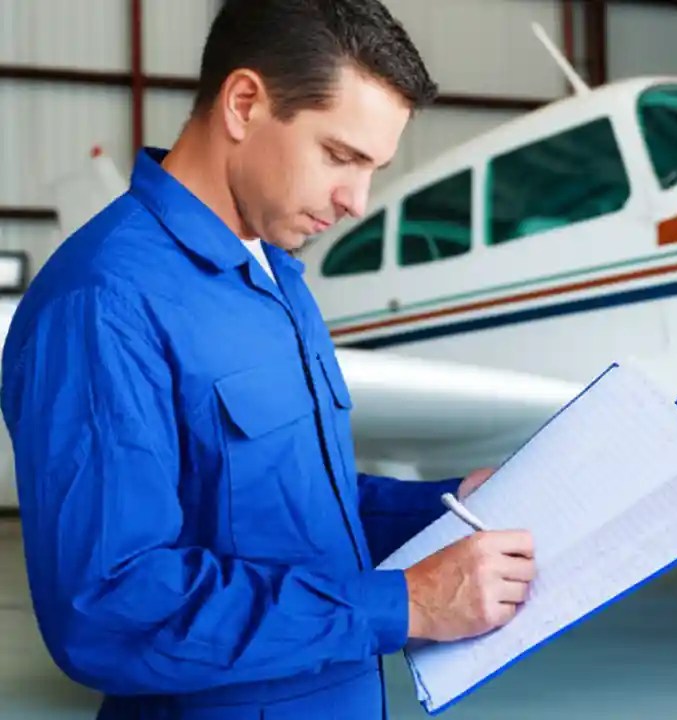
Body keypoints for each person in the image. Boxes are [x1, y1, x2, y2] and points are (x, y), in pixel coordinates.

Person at [0, 1, 536, 717]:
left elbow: (293, 511)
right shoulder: (104, 302)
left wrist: (446, 506)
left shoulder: (276, 277)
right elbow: (110, 607)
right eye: (340, 157)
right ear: (245, 103)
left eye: (372, 167)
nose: (356, 200)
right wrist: (402, 605)